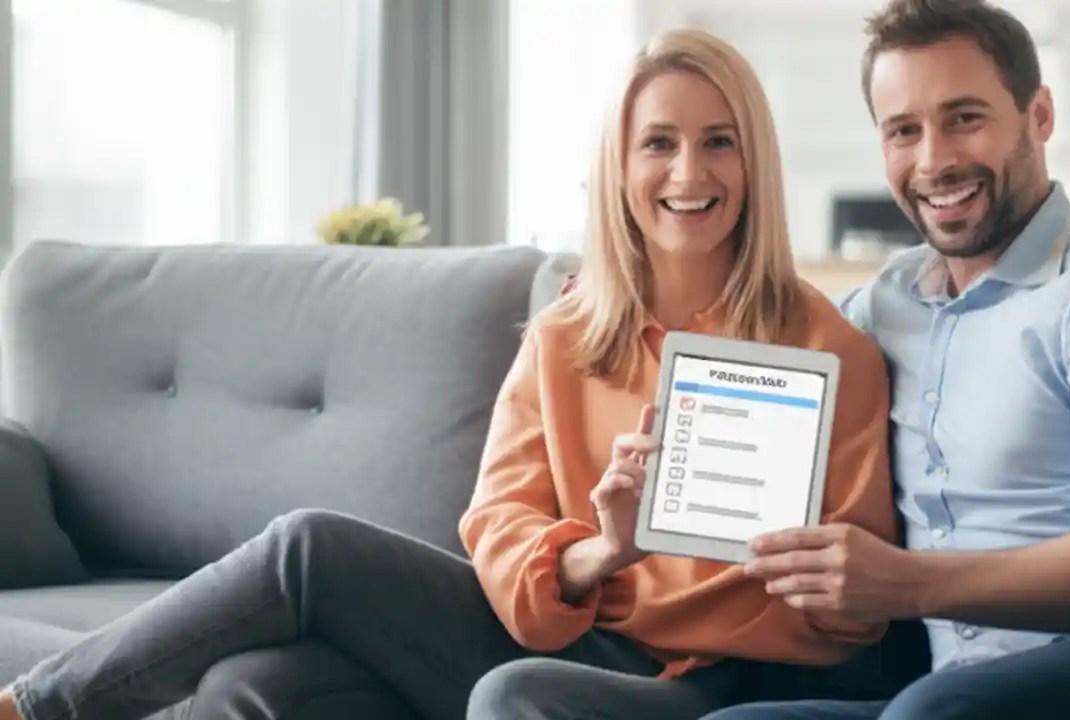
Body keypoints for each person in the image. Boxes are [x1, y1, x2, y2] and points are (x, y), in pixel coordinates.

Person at [0, 28, 898, 720]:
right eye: (659, 143)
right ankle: (31, 708)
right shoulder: (565, 337)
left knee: (515, 701)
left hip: (716, 680)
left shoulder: (827, 352)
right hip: (577, 627)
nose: (689, 172)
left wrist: (787, 559)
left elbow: (857, 618)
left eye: (720, 142)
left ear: (756, 163)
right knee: (272, 639)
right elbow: (496, 524)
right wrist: (604, 548)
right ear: (622, 167)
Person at [703, 1, 1070, 719]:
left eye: (964, 118)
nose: (933, 161)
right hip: (949, 689)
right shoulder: (881, 306)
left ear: (1040, 115)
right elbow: (763, 395)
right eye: (904, 130)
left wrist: (907, 583)